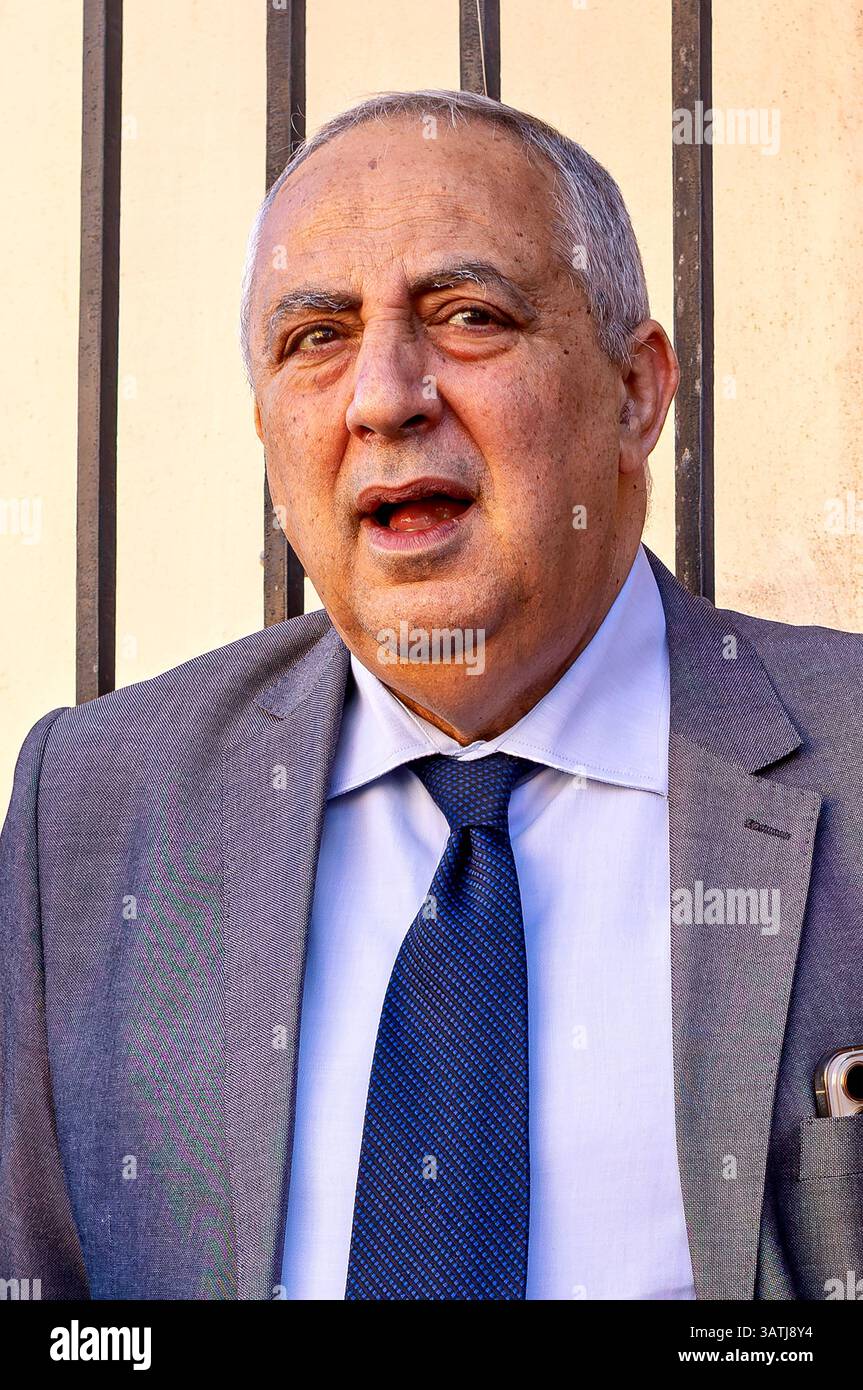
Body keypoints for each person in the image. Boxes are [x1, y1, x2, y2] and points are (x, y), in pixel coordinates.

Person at [1, 90, 861, 1301]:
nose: (383, 397)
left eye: (466, 318)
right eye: (316, 339)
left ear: (635, 390)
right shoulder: (88, 808)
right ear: (265, 429)